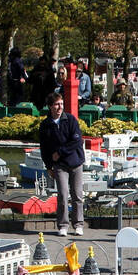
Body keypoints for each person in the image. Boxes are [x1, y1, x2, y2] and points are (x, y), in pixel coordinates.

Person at [38, 93, 86, 238]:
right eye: (57, 104)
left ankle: (78, 224)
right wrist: (48, 166)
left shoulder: (70, 120)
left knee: (77, 195)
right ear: (50, 106)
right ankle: (63, 225)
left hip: (76, 162)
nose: (60, 107)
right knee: (63, 195)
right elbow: (44, 148)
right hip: (59, 166)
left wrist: (60, 151)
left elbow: (77, 140)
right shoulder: (45, 125)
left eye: (61, 104)